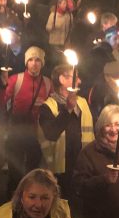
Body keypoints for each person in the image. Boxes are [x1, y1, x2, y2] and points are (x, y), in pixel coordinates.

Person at [37, 64, 94, 195]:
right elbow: (51, 134)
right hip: (59, 171)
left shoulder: (83, 102)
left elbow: (91, 130)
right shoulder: (48, 107)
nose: (79, 81)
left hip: (82, 165)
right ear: (62, 80)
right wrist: (68, 110)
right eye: (75, 77)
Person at [3, 47, 52, 192]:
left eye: (38, 60)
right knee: (15, 166)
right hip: (16, 130)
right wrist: (2, 86)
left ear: (42, 63)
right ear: (26, 62)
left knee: (33, 167)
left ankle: (29, 193)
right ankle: (13, 195)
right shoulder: (15, 80)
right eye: (30, 60)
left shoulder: (48, 84)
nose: (34, 63)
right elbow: (1, 102)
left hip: (36, 133)